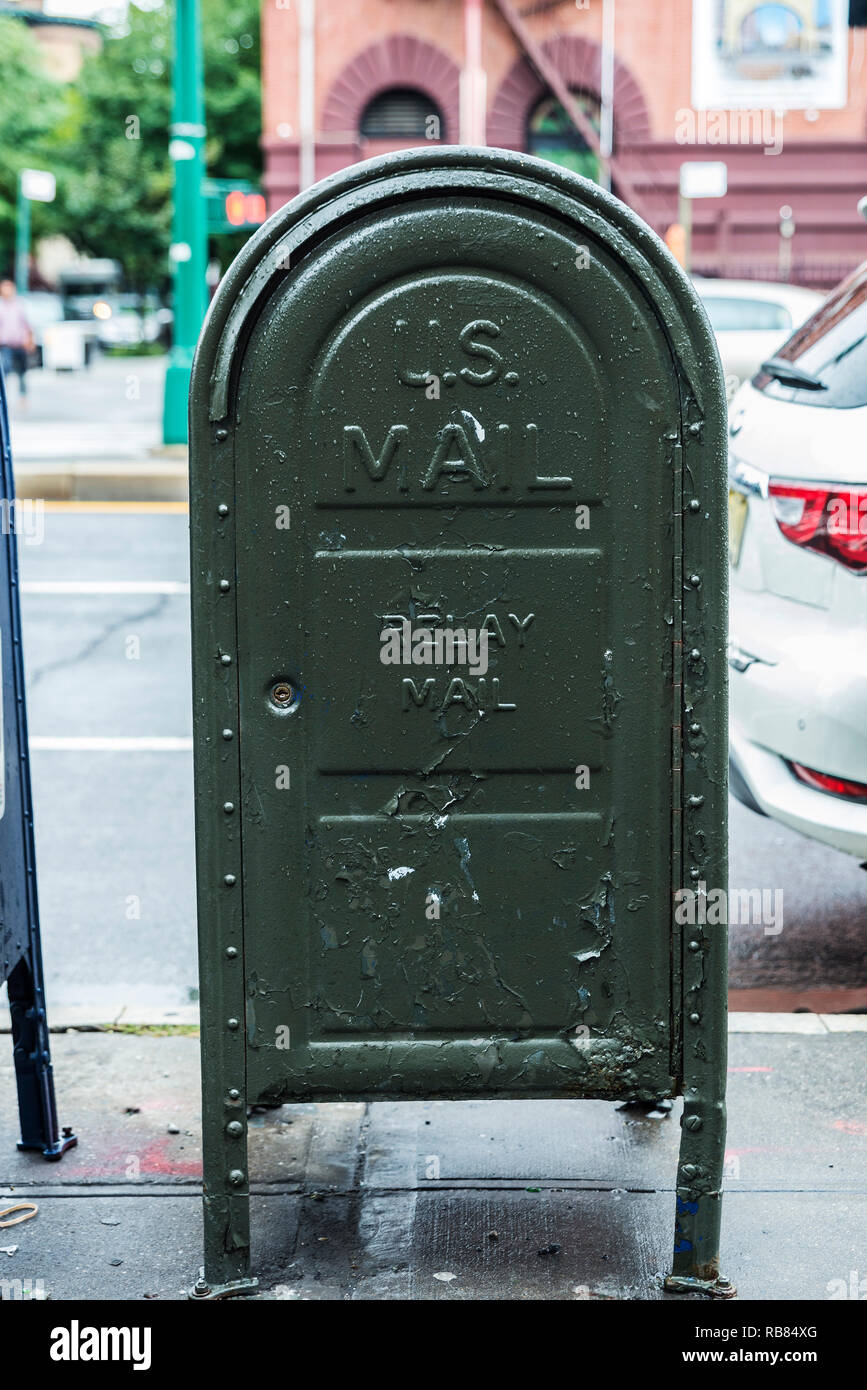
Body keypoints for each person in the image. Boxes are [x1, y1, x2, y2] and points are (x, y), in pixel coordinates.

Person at [0, 279, 34, 399]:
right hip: (5, 345)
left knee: (22, 372)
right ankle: (4, 396)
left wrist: (29, 340)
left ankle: (23, 396)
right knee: (5, 370)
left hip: (20, 344)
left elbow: (27, 324)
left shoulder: (20, 305)